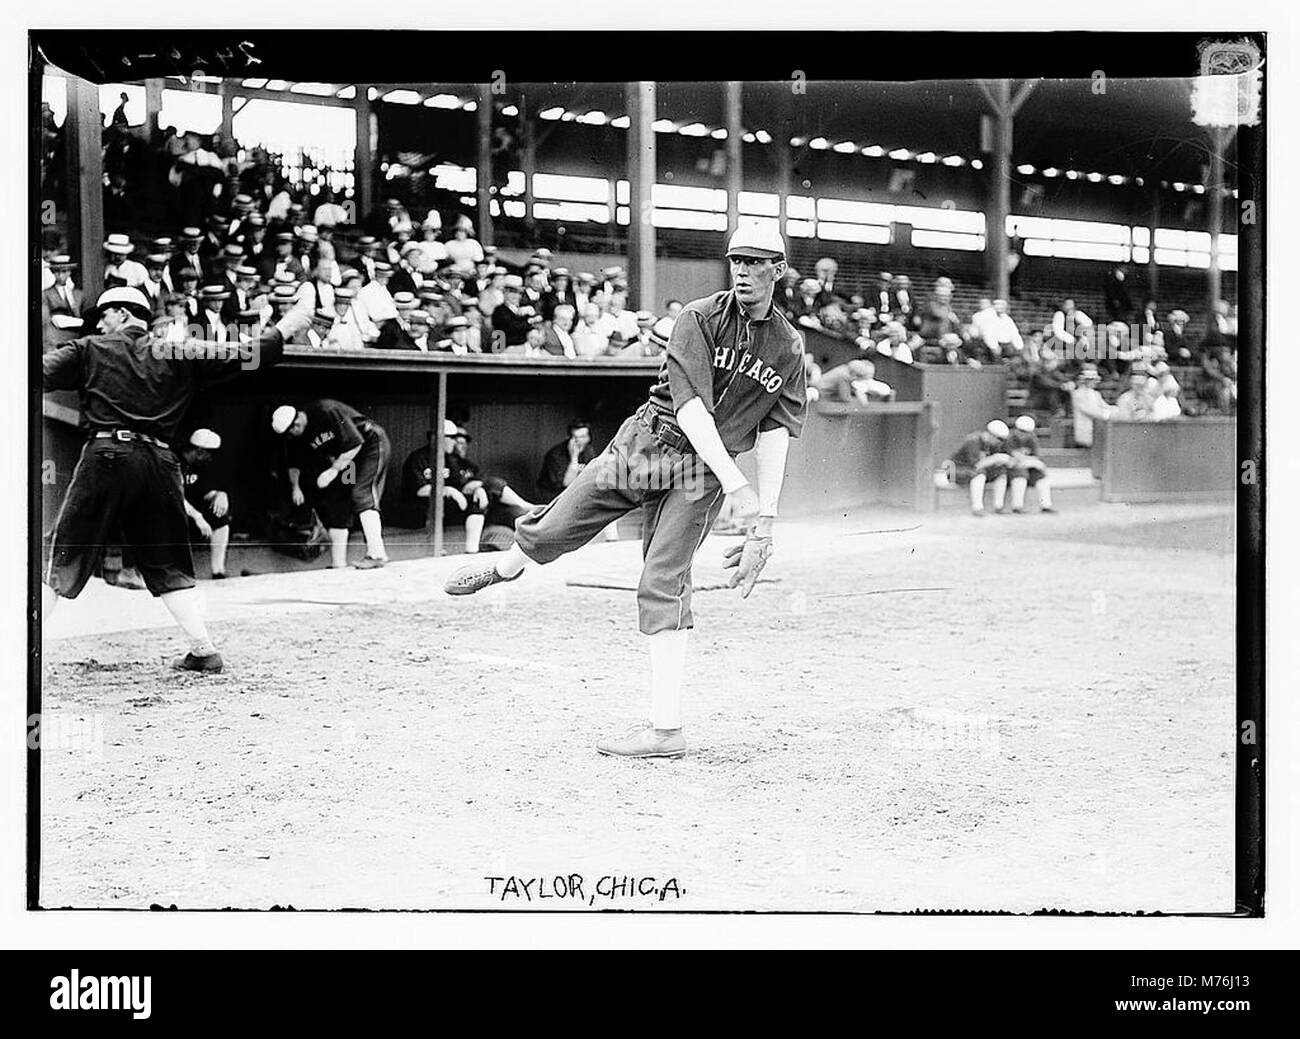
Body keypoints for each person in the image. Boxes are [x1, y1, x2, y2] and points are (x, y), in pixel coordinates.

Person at [443, 221, 807, 760]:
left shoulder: (789, 346)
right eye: (737, 262)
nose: (744, 272)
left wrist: (766, 521)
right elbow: (689, 407)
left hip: (698, 475)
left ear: (778, 270)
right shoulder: (698, 317)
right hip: (647, 443)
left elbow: (776, 429)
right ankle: (506, 567)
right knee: (561, 524)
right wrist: (738, 485)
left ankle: (665, 731)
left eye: (756, 262)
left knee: (664, 579)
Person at [42, 287, 309, 671]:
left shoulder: (89, 349)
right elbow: (244, 355)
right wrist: (283, 327)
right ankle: (203, 649)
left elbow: (30, 373)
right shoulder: (176, 349)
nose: (99, 324)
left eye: (104, 316)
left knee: (63, 550)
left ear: (120, 313)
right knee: (168, 559)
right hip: (160, 462)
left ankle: (19, 646)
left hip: (107, 454)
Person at [271, 399, 391, 569]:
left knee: (361, 493)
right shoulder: (297, 438)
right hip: (346, 458)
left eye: (290, 432)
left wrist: (333, 471)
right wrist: (295, 487)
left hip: (369, 444)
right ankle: (338, 565)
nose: (290, 437)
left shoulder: (325, 411)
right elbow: (294, 464)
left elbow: (355, 442)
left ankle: (377, 554)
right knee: (338, 503)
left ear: (296, 424)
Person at [179, 428, 233, 578]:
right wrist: (197, 517)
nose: (212, 458)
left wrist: (221, 495)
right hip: (173, 512)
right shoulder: (174, 461)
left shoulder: (200, 467)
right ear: (199, 452)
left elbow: (206, 492)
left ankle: (218, 571)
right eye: (210, 454)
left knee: (219, 513)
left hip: (192, 518)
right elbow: (174, 496)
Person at [948, 420, 1011, 516]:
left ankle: (999, 506)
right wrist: (995, 458)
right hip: (956, 470)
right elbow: (976, 465)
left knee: (1001, 472)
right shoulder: (973, 441)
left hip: (972, 470)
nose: (1000, 443)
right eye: (999, 439)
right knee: (979, 473)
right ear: (991, 435)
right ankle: (977, 508)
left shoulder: (991, 444)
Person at [1004, 415, 1056, 513]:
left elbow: (1036, 457)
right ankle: (1017, 506)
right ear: (1016, 429)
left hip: (1025, 466)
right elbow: (1012, 456)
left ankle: (1046, 506)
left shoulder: (1032, 438)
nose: (1024, 435)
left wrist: (1029, 461)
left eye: (1027, 432)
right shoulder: (1009, 438)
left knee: (1041, 475)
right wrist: (1030, 461)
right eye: (1021, 431)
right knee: (1021, 474)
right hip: (1009, 470)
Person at [537, 418, 598, 500]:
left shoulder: (588, 451)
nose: (579, 441)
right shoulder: (555, 455)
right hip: (552, 499)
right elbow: (567, 484)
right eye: (575, 437)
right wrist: (574, 458)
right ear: (569, 438)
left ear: (589, 438)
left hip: (575, 497)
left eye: (583, 437)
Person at [1069, 365, 1112, 448]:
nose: (1093, 382)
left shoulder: (1096, 394)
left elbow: (1105, 407)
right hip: (1084, 432)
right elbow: (1090, 411)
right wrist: (1107, 414)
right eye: (1090, 380)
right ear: (1084, 380)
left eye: (1094, 380)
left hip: (1096, 431)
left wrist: (1116, 411)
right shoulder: (1078, 394)